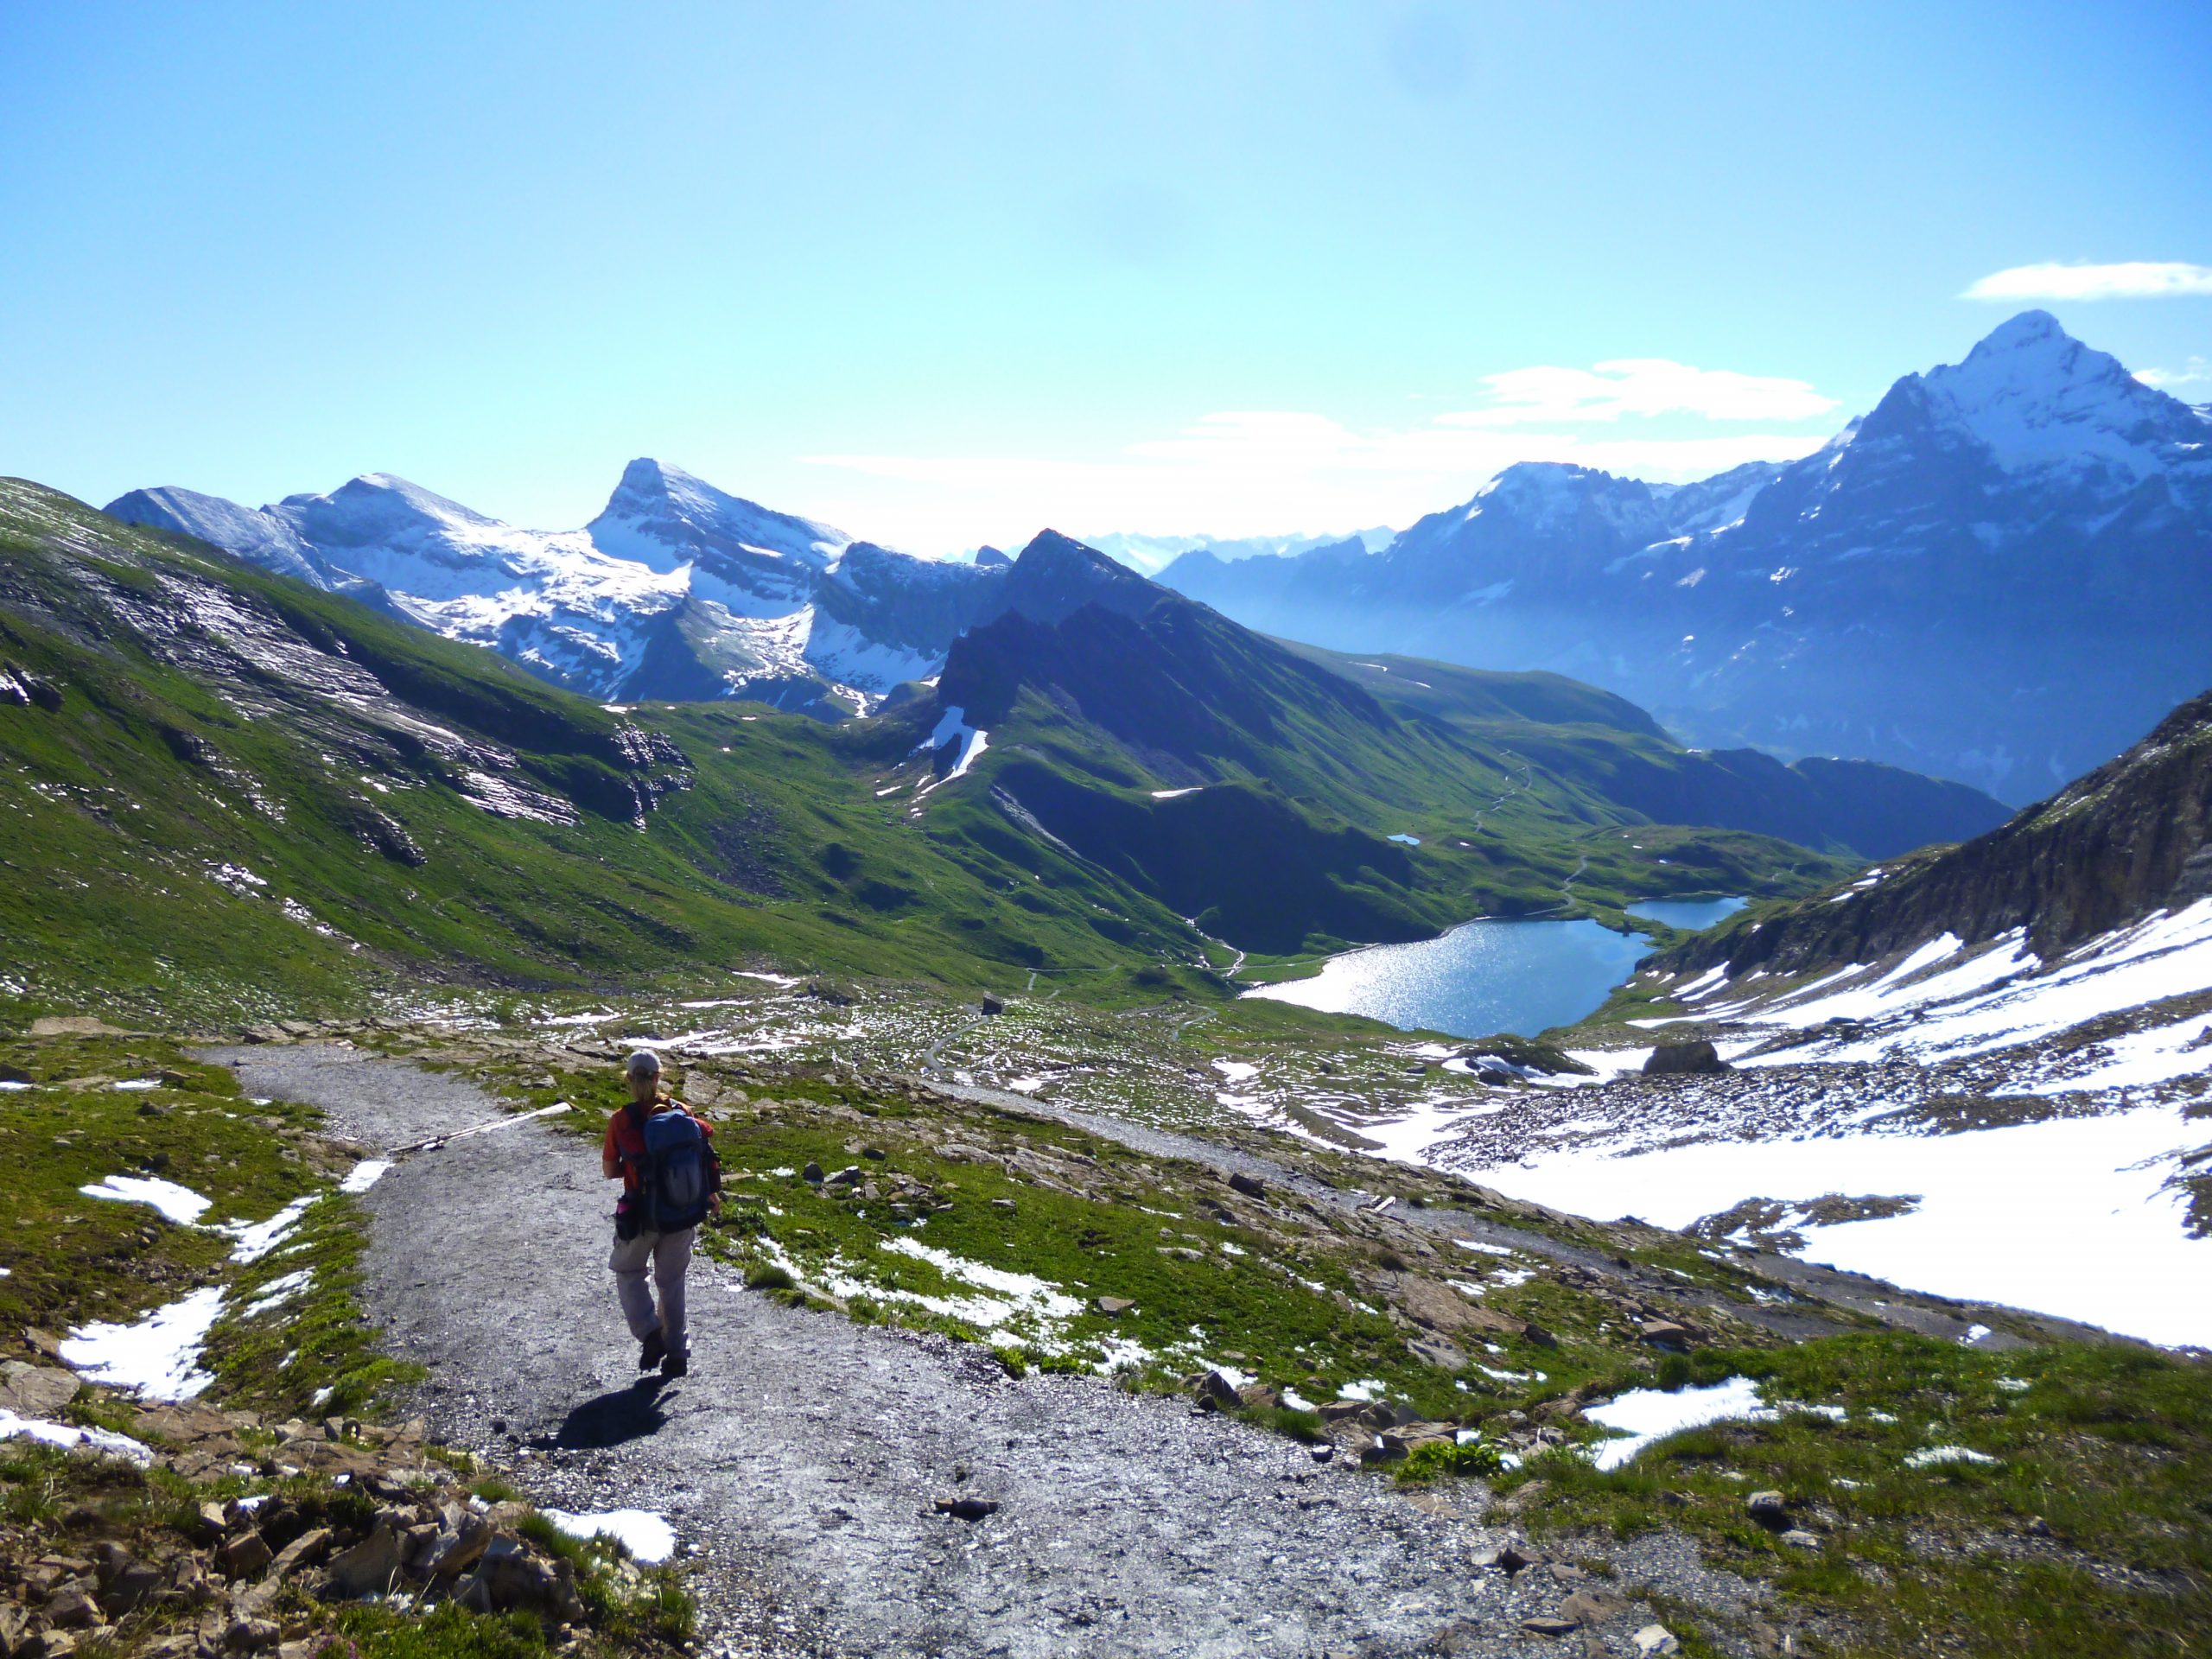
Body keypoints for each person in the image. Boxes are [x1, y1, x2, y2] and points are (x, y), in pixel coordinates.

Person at [602, 1049, 719, 1378]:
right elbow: (700, 1157)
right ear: (659, 1077)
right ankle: (678, 1354)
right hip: (683, 1209)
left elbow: (611, 1171)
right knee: (672, 1281)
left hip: (640, 1213)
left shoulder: (621, 1119)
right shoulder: (682, 1111)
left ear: (628, 1079)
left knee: (628, 1271)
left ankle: (650, 1334)